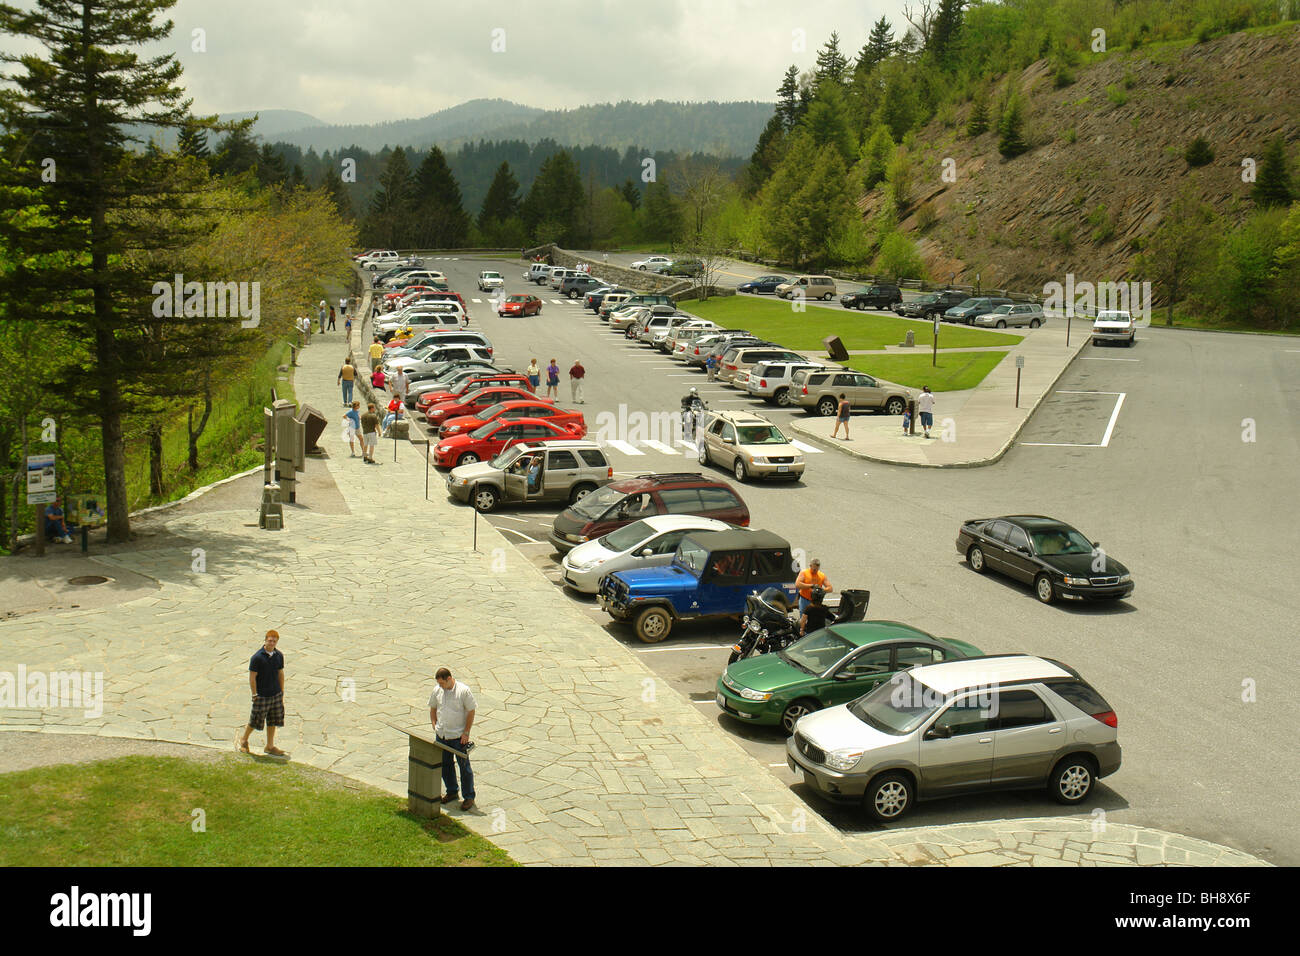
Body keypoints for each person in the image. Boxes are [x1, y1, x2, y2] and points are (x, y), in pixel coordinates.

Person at [428, 667, 476, 811]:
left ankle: (469, 797)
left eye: (442, 683)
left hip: (458, 737)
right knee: (446, 765)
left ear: (449, 679)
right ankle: (452, 791)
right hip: (442, 735)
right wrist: (434, 724)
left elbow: (471, 711)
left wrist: (466, 733)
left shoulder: (463, 691)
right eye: (439, 684)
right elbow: (433, 708)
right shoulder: (437, 690)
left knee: (464, 767)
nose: (440, 686)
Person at [239, 629, 288, 757]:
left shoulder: (279, 655)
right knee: (255, 720)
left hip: (275, 694)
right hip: (261, 695)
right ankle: (244, 740)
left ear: (277, 642)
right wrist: (254, 694)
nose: (271, 643)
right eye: (270, 640)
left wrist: (281, 691)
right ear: (265, 640)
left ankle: (270, 746)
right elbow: (252, 677)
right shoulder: (257, 658)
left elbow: (280, 673)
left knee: (273, 721)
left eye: (274, 641)